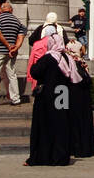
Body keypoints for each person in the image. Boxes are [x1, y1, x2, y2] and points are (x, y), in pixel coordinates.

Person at [25, 31, 81, 166]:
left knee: (45, 125)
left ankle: (43, 156)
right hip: (63, 93)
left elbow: (35, 72)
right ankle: (60, 156)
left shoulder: (48, 57)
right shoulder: (67, 57)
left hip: (48, 95)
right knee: (62, 124)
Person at [68, 35, 94, 157]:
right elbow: (88, 82)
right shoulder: (82, 65)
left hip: (71, 100)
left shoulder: (69, 65)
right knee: (84, 125)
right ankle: (85, 149)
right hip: (84, 102)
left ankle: (74, 148)